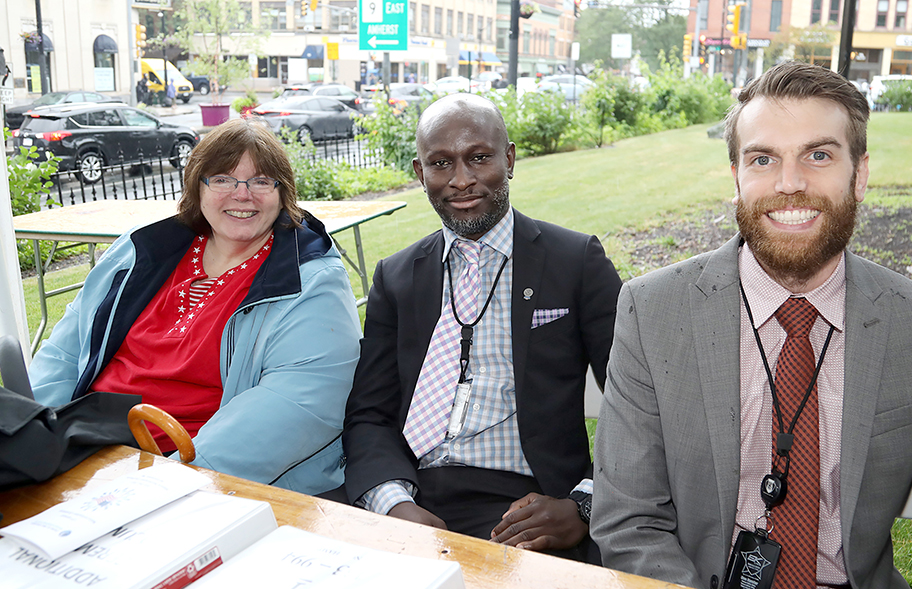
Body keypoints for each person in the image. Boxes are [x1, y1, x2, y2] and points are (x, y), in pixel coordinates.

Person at [591, 60, 912, 589]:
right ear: (735, 177)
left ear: (860, 175)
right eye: (762, 159)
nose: (789, 183)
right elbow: (628, 522)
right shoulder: (654, 312)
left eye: (818, 155)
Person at [342, 93, 621, 560]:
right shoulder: (397, 276)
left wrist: (585, 503)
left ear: (508, 159)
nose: (462, 180)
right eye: (440, 163)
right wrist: (391, 503)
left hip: (525, 505)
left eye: (478, 158)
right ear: (419, 173)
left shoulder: (575, 262)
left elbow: (639, 407)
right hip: (413, 495)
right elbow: (370, 411)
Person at [29, 117, 362, 496]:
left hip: (187, 467)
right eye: (221, 179)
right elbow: (65, 348)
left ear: (282, 193)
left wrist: (162, 485)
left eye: (261, 180)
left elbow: (294, 407)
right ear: (197, 187)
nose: (242, 194)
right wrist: (39, 429)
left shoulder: (311, 281)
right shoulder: (141, 251)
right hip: (89, 443)